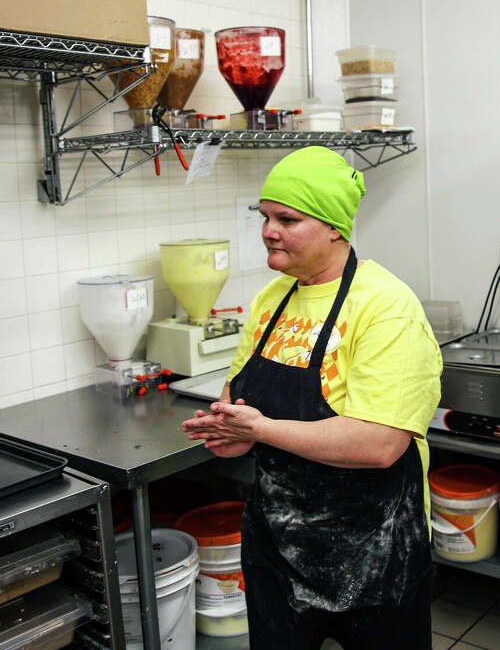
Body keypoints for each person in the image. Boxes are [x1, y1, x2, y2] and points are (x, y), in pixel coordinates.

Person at [182, 147, 442, 650]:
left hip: (375, 553)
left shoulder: (385, 307)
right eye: (265, 216)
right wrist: (231, 434)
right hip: (278, 549)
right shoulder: (271, 297)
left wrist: (259, 431)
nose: (268, 230)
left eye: (287, 219)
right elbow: (238, 396)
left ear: (334, 228)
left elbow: (379, 443)